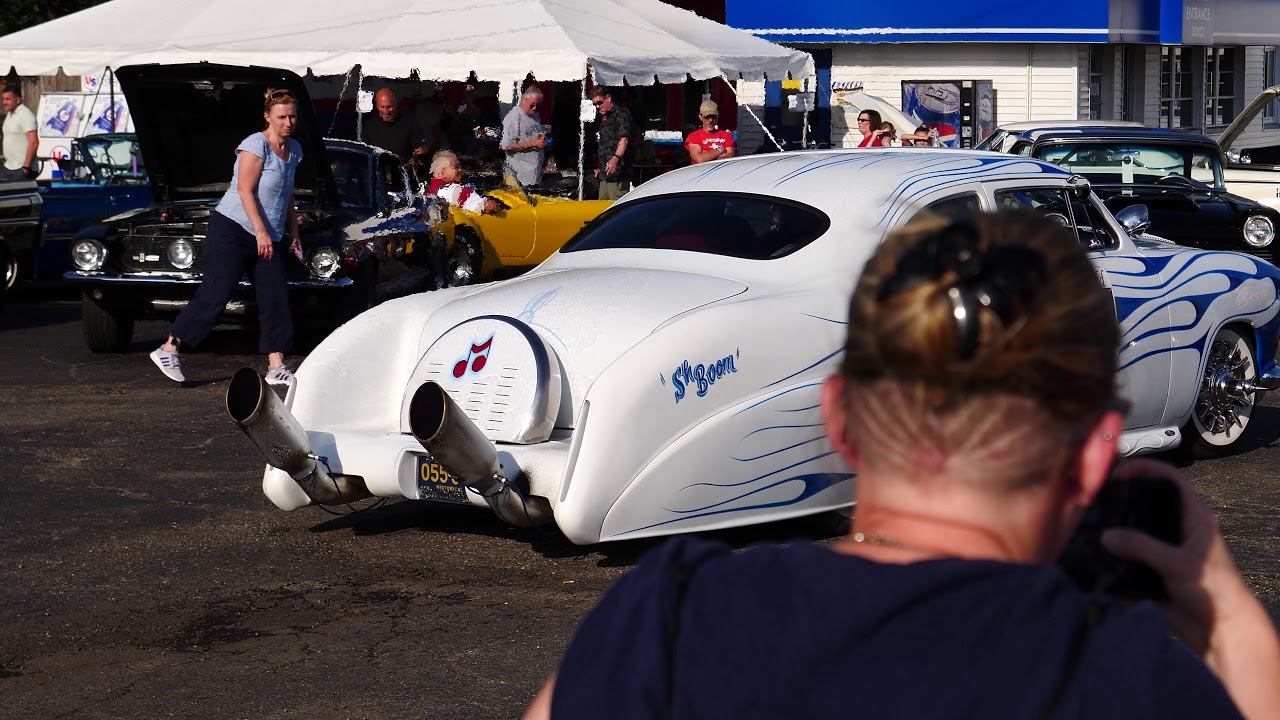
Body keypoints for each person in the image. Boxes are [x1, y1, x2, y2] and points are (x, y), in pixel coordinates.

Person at [525, 211, 1280, 719]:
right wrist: (1230, 620)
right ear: (1092, 458)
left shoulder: (675, 615)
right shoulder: (1132, 678)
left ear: (840, 419)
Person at [150, 89, 305, 386]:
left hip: (268, 235)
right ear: (267, 117)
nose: (288, 122)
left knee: (275, 297)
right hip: (233, 229)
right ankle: (169, 348)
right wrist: (260, 231)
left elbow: (287, 194)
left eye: (292, 116)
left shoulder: (294, 149)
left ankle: (276, 365)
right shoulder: (255, 145)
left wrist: (293, 232)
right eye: (282, 117)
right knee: (216, 293)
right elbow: (246, 191)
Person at [361, 88, 429, 163]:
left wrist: (423, 150)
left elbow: (421, 149)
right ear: (377, 106)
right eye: (382, 107)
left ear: (396, 104)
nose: (386, 111)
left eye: (389, 107)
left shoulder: (409, 124)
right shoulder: (370, 126)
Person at [591, 86, 634, 200]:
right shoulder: (605, 118)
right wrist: (601, 166)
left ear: (608, 98)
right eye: (595, 104)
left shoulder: (620, 114)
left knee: (615, 206)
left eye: (599, 102)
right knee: (602, 208)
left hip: (618, 173)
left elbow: (624, 139)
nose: (598, 106)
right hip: (606, 173)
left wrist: (615, 159)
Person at [500, 85, 547, 188]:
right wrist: (533, 144)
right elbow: (506, 146)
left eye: (538, 106)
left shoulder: (535, 115)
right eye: (532, 105)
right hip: (520, 178)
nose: (535, 108)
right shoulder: (513, 117)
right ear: (524, 100)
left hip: (535, 175)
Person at [425, 150, 499, 215]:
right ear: (442, 172)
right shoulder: (454, 190)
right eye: (456, 167)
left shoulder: (432, 188)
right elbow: (484, 206)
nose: (460, 169)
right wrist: (491, 204)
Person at [1, 86, 38, 182]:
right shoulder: (10, 114)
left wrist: (26, 167)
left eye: (8, 99)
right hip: (9, 166)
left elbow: (34, 142)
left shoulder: (25, 115)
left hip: (22, 168)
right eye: (3, 99)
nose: (4, 102)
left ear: (17, 99)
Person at [685, 100, 736, 164]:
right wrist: (720, 150)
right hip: (702, 172)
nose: (710, 120)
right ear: (700, 117)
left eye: (713, 116)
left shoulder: (727, 136)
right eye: (707, 117)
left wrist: (706, 154)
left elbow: (730, 157)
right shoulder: (693, 136)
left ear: (717, 116)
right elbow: (699, 159)